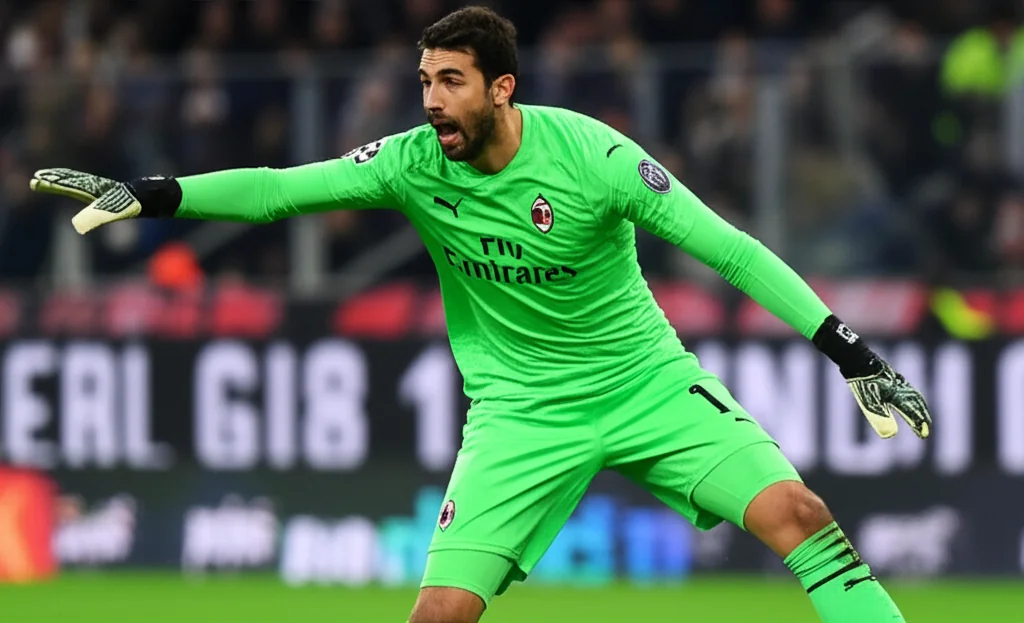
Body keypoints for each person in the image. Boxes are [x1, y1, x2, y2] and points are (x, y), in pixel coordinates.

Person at [30, 6, 931, 623]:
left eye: (450, 82)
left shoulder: (596, 157)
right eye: (424, 79)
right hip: (520, 415)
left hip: (647, 385)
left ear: (502, 89)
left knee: (800, 514)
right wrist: (153, 193)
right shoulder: (414, 160)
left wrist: (850, 351)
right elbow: (276, 191)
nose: (430, 101)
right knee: (440, 612)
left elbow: (729, 248)